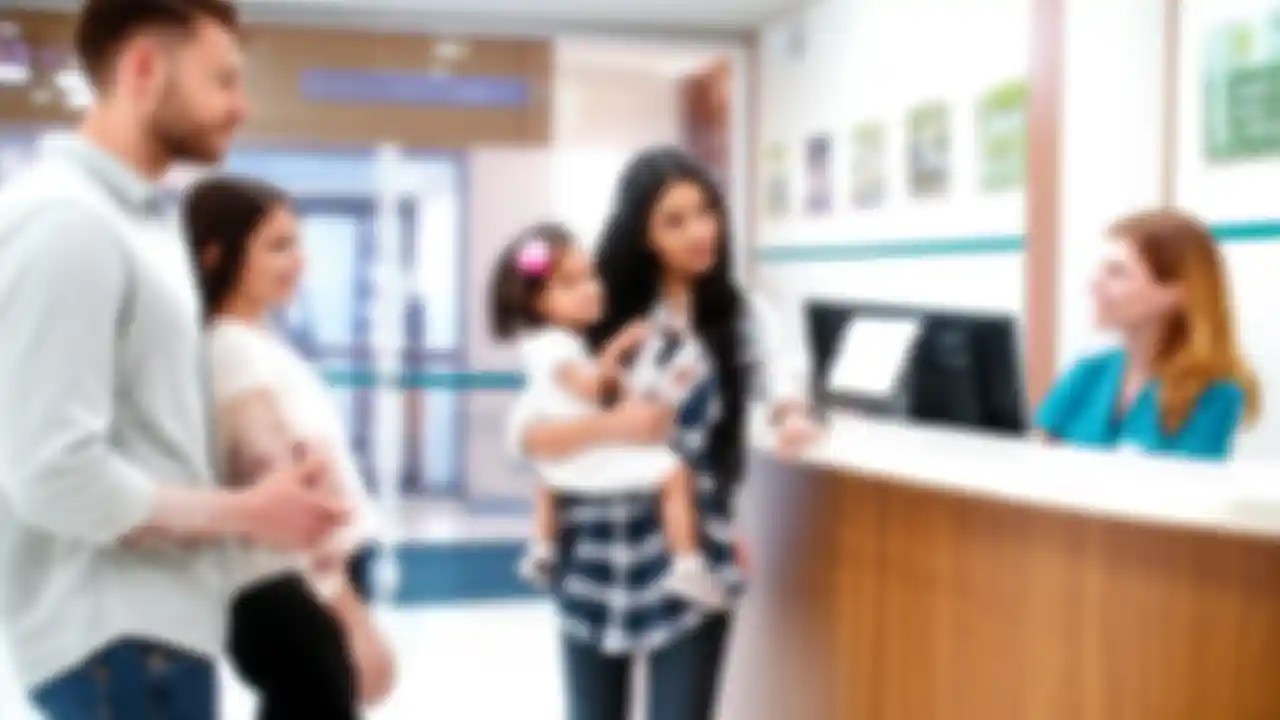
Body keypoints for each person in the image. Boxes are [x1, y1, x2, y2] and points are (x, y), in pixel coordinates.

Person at [0, 2, 349, 718]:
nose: (241, 108)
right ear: (143, 70)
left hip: (158, 637)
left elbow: (145, 434)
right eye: (223, 81)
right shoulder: (68, 223)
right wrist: (247, 513)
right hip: (116, 647)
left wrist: (258, 475)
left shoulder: (141, 222)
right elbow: (52, 474)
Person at [508, 148, 820, 720]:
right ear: (642, 234)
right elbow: (530, 434)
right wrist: (614, 425)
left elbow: (784, 373)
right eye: (674, 221)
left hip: (691, 547)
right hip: (597, 538)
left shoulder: (742, 313)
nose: (700, 232)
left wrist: (792, 412)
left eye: (705, 212)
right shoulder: (599, 310)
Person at [186, 176, 396, 717]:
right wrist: (348, 612)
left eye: (298, 242)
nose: (297, 260)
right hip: (288, 589)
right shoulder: (232, 351)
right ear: (216, 254)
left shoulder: (257, 344)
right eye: (277, 246)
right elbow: (287, 494)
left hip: (300, 588)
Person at [489, 222, 728, 608]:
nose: (591, 289)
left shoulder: (556, 344)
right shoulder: (553, 345)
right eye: (570, 283)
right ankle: (688, 564)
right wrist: (620, 352)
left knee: (548, 481)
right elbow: (594, 389)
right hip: (588, 465)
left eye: (591, 276)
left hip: (571, 463)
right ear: (535, 301)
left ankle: (542, 548)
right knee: (672, 472)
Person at [1037, 209, 1261, 460]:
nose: (1094, 285)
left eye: (1117, 272)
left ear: (1177, 292)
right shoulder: (1088, 371)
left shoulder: (1214, 393)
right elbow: (1040, 466)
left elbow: (1183, 492)